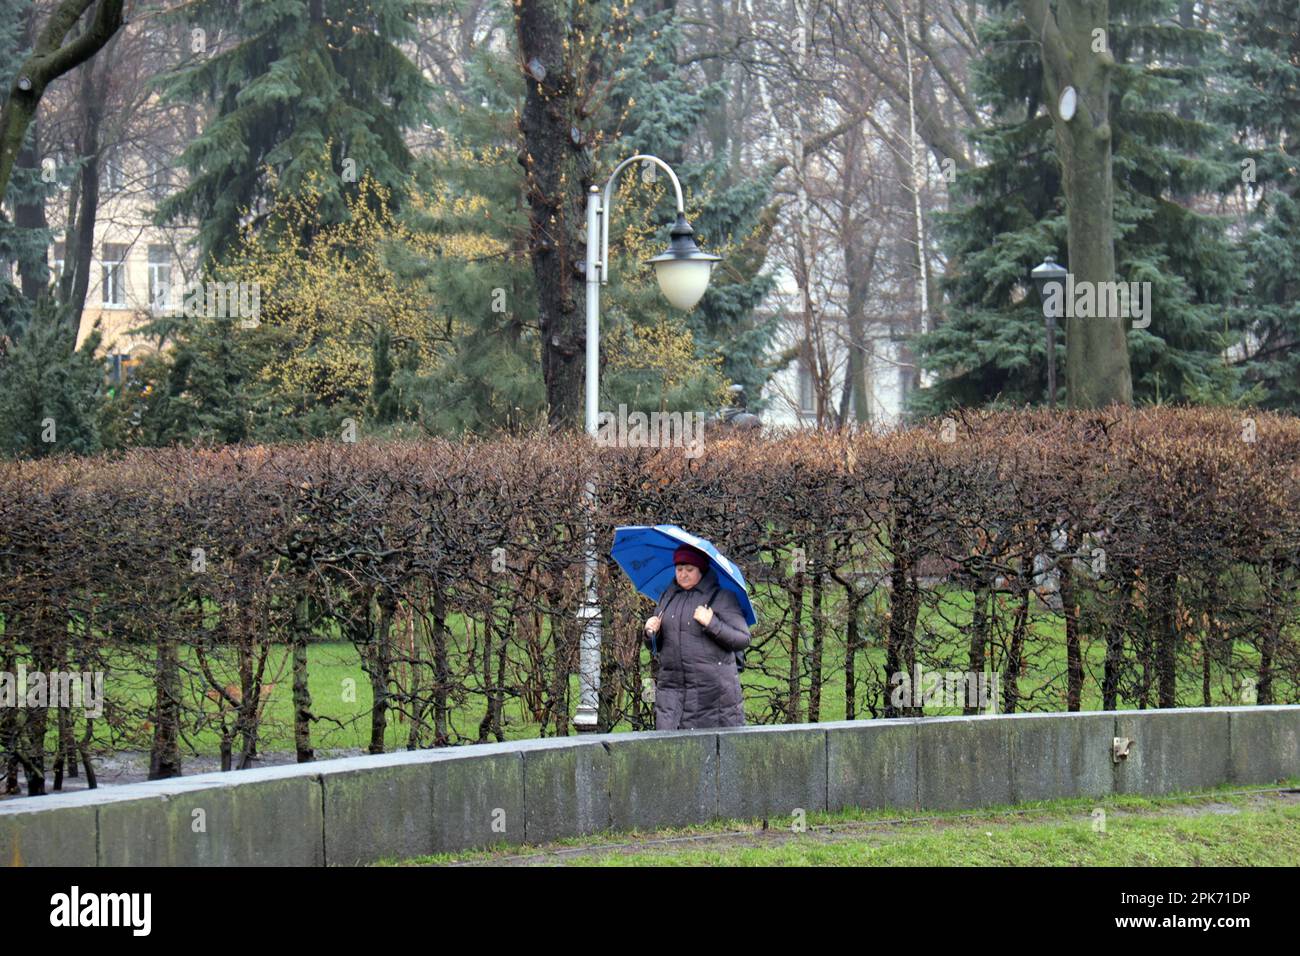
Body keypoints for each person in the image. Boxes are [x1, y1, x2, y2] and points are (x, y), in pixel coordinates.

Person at [643, 544, 751, 730]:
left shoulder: (722, 597)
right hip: (672, 697)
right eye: (679, 569)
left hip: (713, 700)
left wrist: (712, 623)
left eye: (689, 570)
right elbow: (656, 646)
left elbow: (742, 639)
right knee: (674, 755)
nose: (683, 574)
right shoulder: (667, 598)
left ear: (701, 570)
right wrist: (650, 632)